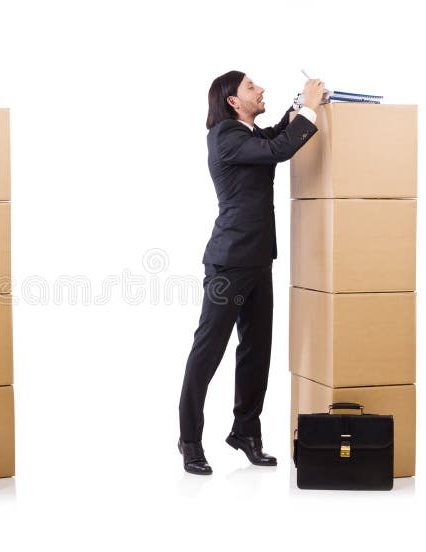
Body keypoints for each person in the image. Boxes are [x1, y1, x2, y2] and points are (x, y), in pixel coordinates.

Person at [177, 71, 324, 475]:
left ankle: (246, 432)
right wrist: (308, 107)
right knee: (208, 352)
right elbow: (279, 149)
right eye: (251, 87)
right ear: (232, 101)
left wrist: (298, 106)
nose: (261, 90)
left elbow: (276, 135)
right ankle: (189, 439)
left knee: (257, 350)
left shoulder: (248, 134)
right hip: (229, 261)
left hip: (259, 260)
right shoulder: (225, 136)